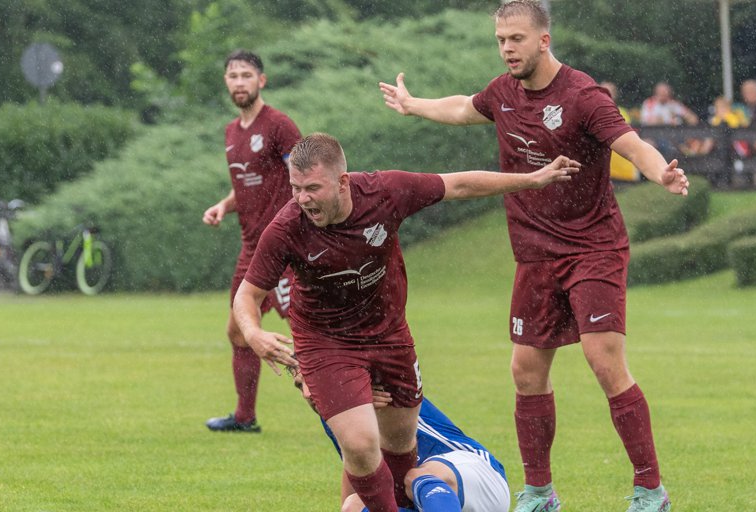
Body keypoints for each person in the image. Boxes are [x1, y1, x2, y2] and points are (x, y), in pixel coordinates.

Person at [378, 2, 688, 511]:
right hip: (536, 256)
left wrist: (662, 174)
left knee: (603, 361)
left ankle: (650, 491)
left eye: (516, 39)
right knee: (525, 371)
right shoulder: (503, 93)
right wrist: (414, 105)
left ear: (544, 40)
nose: (506, 49)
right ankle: (541, 494)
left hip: (593, 248)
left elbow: (630, 145)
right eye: (501, 40)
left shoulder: (583, 95)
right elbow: (462, 108)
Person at [232, 133, 581, 512]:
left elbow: (458, 183)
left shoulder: (385, 192)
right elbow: (247, 295)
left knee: (399, 448)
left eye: (312, 188)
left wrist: (531, 180)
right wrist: (253, 333)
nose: (302, 199)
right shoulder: (287, 228)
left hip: (390, 337)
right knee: (363, 445)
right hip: (326, 342)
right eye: (296, 188)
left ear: (343, 182)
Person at [202, 50, 301, 433]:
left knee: (311, 331)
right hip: (250, 249)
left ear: (262, 81)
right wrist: (223, 206)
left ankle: (344, 405)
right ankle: (245, 417)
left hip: (286, 249)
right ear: (226, 82)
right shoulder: (231, 132)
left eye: (246, 75)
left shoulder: (279, 126)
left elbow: (305, 177)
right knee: (238, 330)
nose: (239, 82)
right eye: (233, 75)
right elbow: (244, 183)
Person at [294, 371, 510, 512]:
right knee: (353, 506)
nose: (306, 394)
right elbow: (357, 477)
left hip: (478, 480)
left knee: (416, 475)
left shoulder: (379, 385)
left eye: (312, 381)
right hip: (425, 503)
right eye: (299, 385)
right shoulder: (335, 415)